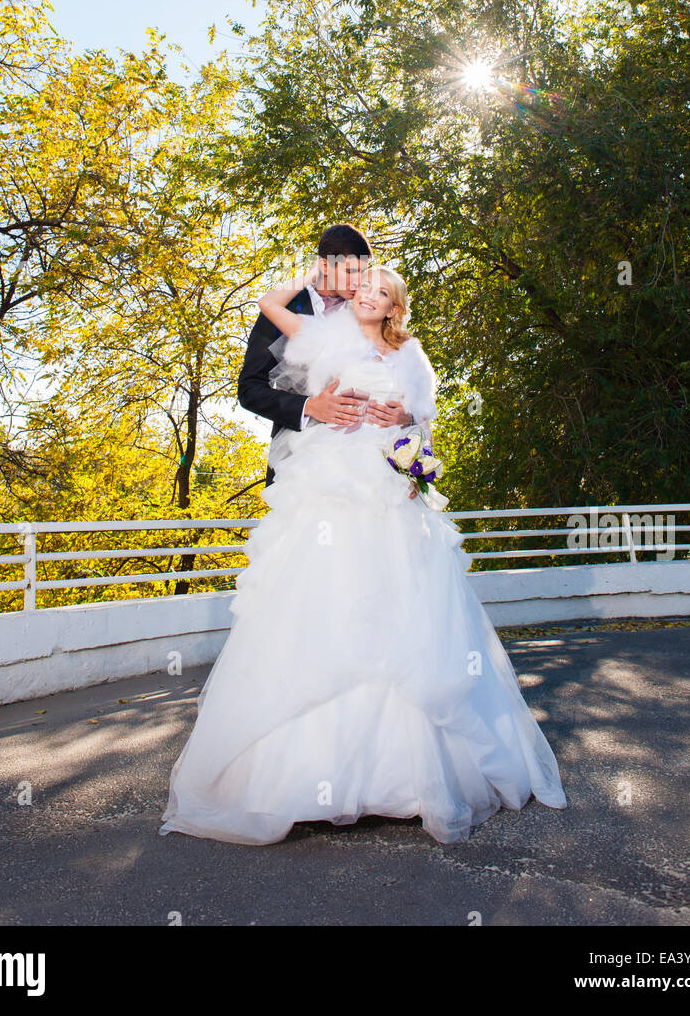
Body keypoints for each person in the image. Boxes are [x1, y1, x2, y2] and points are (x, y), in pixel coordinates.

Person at [158, 263, 568, 846]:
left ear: (394, 307)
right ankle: (302, 782)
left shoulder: (411, 357)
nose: (365, 294)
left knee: (402, 604)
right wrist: (314, 272)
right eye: (360, 286)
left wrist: (404, 427)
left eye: (378, 290)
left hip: (390, 478)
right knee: (329, 598)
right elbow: (271, 306)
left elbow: (423, 420)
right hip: (332, 478)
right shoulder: (325, 335)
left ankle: (407, 782)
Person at [237, 222, 414, 486]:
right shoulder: (284, 311)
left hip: (371, 464)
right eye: (350, 271)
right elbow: (249, 389)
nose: (358, 282)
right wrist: (309, 407)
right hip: (298, 464)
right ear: (324, 266)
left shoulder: (368, 309)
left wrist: (407, 419)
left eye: (363, 272)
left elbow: (400, 374)